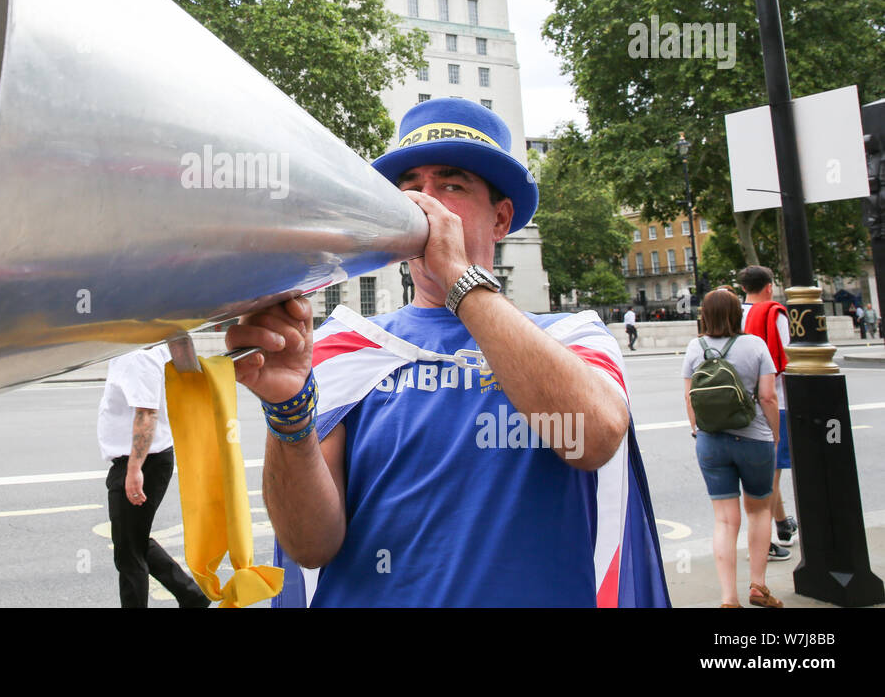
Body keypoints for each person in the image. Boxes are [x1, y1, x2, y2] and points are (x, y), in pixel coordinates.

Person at [226, 98, 669, 607]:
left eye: (451, 185)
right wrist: (288, 416)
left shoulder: (574, 337)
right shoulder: (344, 346)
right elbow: (310, 546)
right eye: (409, 187)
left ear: (501, 219)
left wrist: (459, 278)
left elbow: (592, 437)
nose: (423, 202)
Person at [683, 288, 782, 608]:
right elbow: (768, 397)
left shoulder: (694, 348)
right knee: (759, 510)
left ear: (704, 316)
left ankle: (728, 597)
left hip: (711, 441)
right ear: (738, 313)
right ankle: (758, 586)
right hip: (753, 439)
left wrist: (698, 431)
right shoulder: (755, 345)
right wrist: (774, 433)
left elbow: (689, 398)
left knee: (725, 520)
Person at [96, 345, 209, 608]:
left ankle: (191, 596)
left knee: (128, 554)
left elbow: (146, 414)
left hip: (142, 462)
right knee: (133, 541)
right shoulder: (134, 349)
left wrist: (134, 470)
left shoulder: (139, 357)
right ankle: (192, 596)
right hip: (141, 461)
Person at [737, 265, 795, 559]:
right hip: (774, 400)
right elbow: (787, 356)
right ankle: (765, 541)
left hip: (740, 404)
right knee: (772, 472)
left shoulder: (736, 314)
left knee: (768, 469)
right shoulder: (774, 313)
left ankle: (783, 523)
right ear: (769, 287)